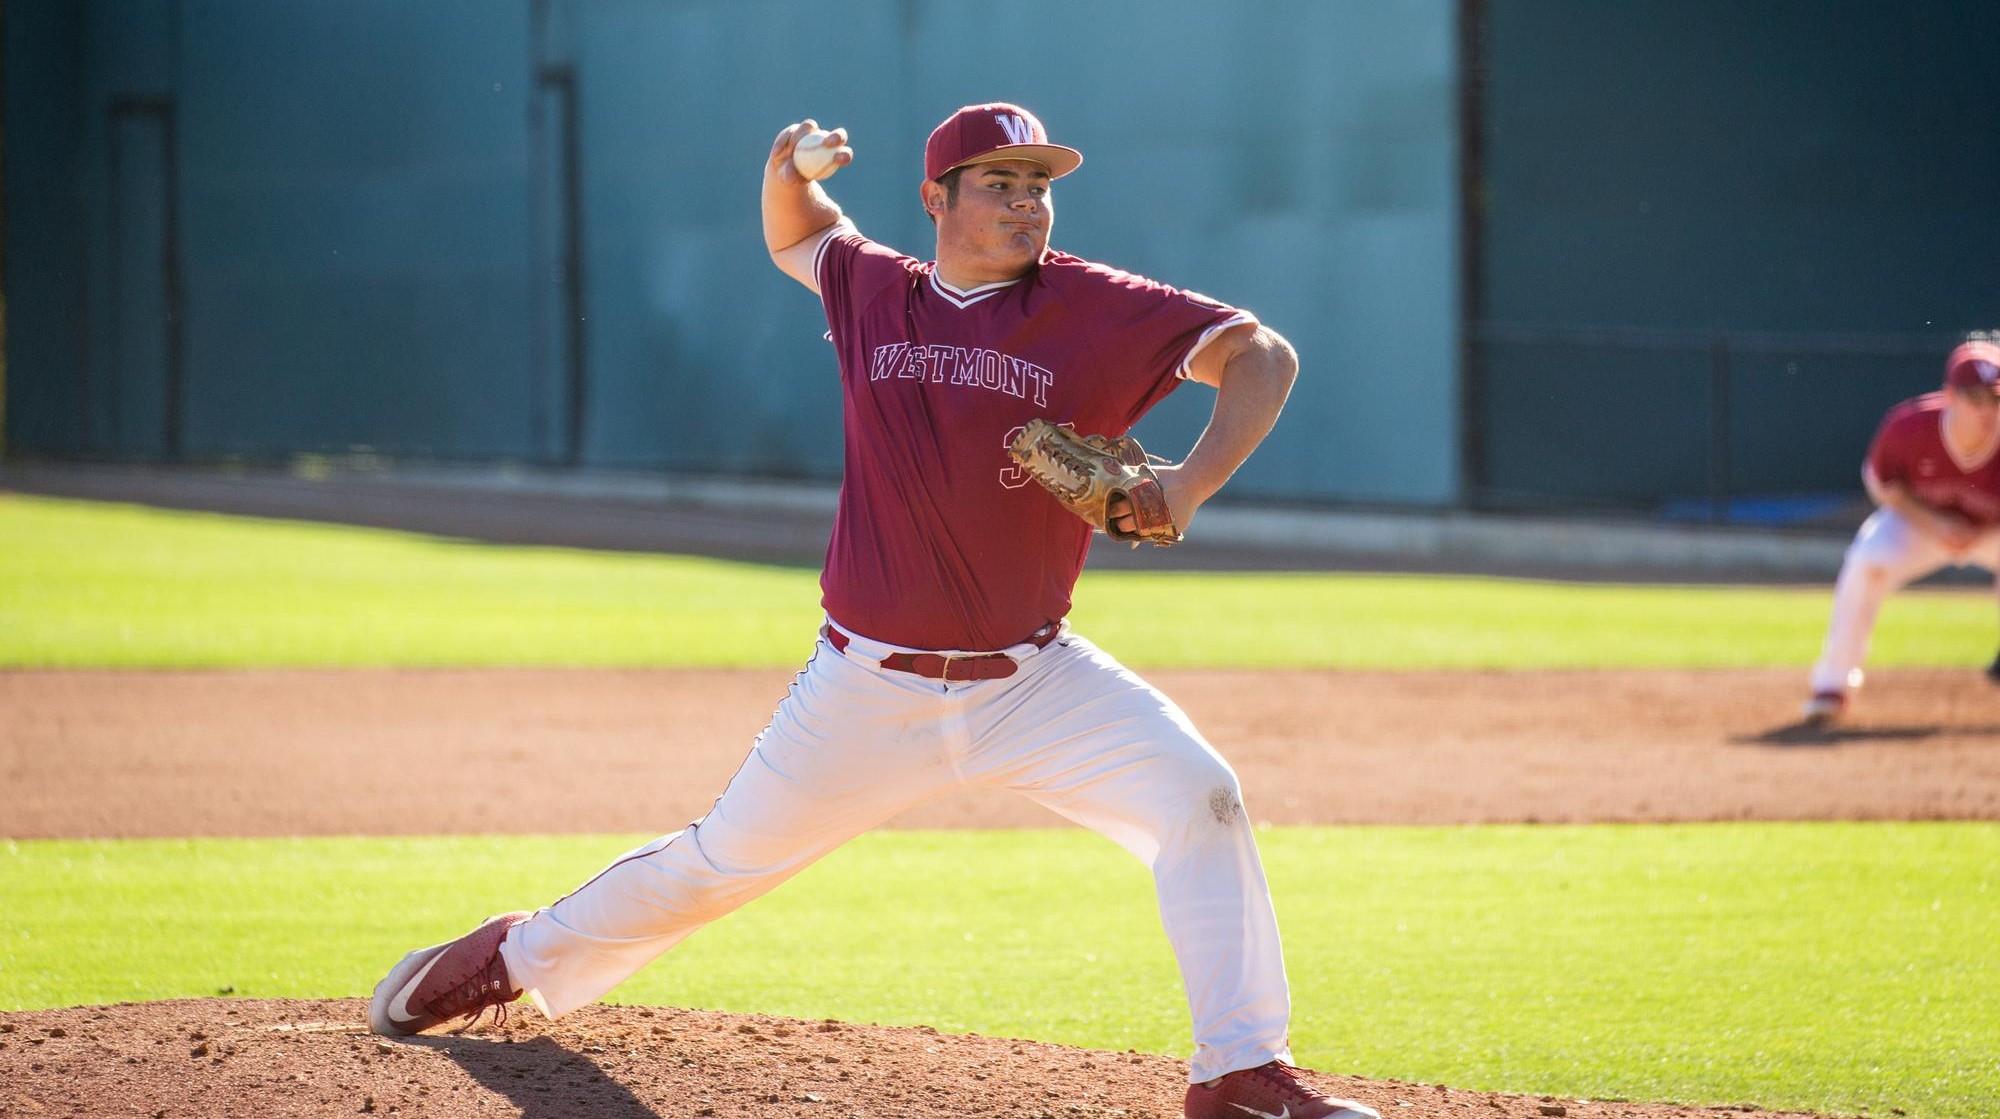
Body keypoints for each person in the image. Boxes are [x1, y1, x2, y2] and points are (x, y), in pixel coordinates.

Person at [369, 102, 1377, 1119]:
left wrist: (1191, 485)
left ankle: (1240, 1073)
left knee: (1199, 795)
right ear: (935, 198)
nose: (1027, 203)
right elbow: (796, 231)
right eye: (999, 183)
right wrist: (787, 166)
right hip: (863, 689)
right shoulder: (872, 288)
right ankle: (511, 955)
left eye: (1038, 185)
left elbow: (1262, 357)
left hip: (1035, 681)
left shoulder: (1094, 304)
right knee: (713, 868)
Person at [1802, 332, 2000, 725]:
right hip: (1920, 525)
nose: (1986, 409)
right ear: (1949, 395)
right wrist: (1934, 523)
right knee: (1867, 560)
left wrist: (1979, 536)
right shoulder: (1909, 428)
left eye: (1995, 398)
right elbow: (1881, 485)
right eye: (1974, 397)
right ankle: (1832, 685)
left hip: (1991, 531)